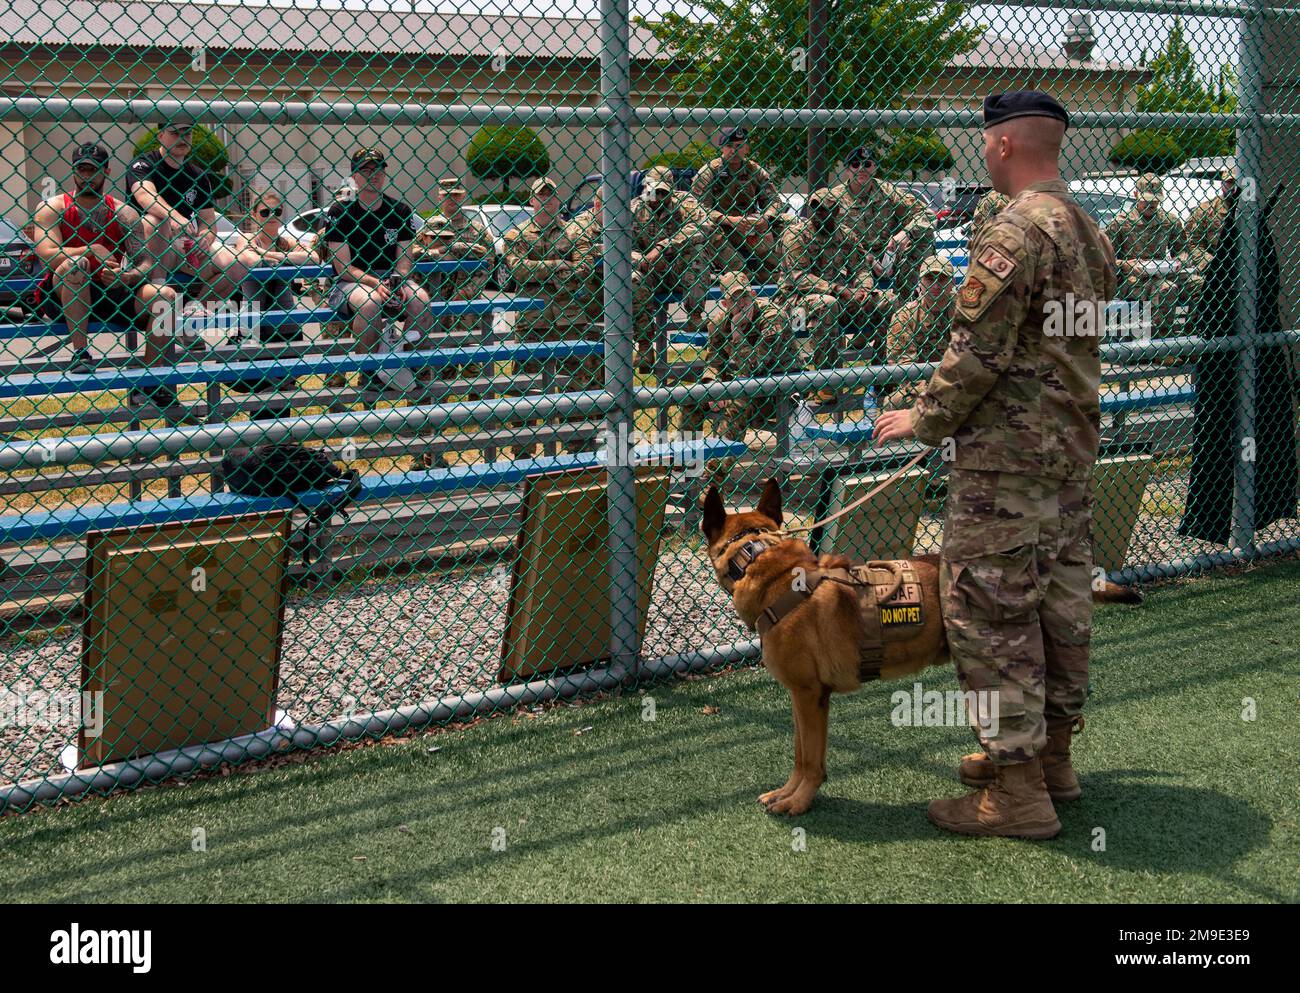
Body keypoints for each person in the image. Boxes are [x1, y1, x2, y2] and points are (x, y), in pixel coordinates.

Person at [874, 91, 1117, 840]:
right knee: (1059, 602)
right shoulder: (1087, 229)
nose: (983, 154)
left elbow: (977, 352)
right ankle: (1053, 762)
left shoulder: (1011, 232)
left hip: (1005, 466)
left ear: (1004, 146)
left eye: (985, 143)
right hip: (1066, 459)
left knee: (988, 614)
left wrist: (925, 418)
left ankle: (1016, 790)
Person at [126, 116, 250, 407]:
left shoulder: (197, 173)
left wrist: (206, 236)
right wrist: (178, 218)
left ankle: (189, 323)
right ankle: (159, 291)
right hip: (146, 249)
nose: (183, 137)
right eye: (176, 132)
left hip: (183, 246)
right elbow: (146, 197)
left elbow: (207, 220)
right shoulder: (143, 164)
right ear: (160, 136)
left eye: (188, 132)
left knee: (238, 263)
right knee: (155, 221)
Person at [30, 142, 154, 377]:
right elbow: (46, 254)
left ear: (106, 171)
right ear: (73, 170)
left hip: (110, 292)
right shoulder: (52, 207)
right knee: (77, 265)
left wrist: (127, 277)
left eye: (93, 170)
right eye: (81, 169)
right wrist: (89, 249)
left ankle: (154, 379)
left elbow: (145, 262)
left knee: (164, 296)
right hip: (63, 295)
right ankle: (80, 352)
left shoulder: (122, 212)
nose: (86, 175)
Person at [321, 146, 436, 394]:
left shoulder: (400, 210)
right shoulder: (340, 211)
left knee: (421, 300)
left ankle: (409, 365)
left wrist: (398, 282)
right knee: (371, 303)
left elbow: (404, 260)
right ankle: (369, 373)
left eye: (379, 169)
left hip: (390, 278)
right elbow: (343, 267)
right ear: (354, 176)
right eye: (366, 169)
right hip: (350, 282)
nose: (374, 174)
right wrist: (376, 283)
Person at [502, 176, 603, 457]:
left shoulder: (573, 233)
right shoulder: (516, 235)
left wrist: (542, 274)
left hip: (570, 320)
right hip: (532, 320)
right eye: (540, 196)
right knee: (525, 386)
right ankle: (522, 451)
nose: (546, 201)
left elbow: (584, 268)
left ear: (557, 200)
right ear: (532, 201)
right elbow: (517, 269)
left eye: (551, 196)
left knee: (577, 384)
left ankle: (577, 447)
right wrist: (559, 266)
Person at [681, 271, 798, 486]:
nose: (742, 303)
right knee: (692, 399)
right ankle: (689, 466)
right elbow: (714, 363)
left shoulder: (772, 317)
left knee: (738, 404)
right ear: (725, 304)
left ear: (753, 294)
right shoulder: (719, 323)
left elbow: (756, 366)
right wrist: (713, 387)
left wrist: (737, 334)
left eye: (745, 296)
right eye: (734, 299)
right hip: (746, 386)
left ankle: (713, 480)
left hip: (780, 389)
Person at [778, 187, 891, 402]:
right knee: (826, 303)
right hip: (795, 305)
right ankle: (826, 382)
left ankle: (882, 376)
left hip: (839, 300)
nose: (819, 214)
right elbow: (799, 277)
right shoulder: (796, 235)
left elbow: (861, 269)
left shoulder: (846, 234)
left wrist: (864, 289)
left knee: (888, 302)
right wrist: (840, 289)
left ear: (837, 210)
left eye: (825, 210)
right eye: (815, 210)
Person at [230, 187, 316, 419]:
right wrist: (282, 261)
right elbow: (251, 260)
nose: (271, 217)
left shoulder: (286, 242)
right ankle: (262, 446)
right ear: (254, 215)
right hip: (256, 324)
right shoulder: (246, 238)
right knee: (262, 389)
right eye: (265, 212)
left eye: (276, 211)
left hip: (284, 323)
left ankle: (277, 446)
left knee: (280, 389)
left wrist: (277, 256)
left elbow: (314, 257)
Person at [627, 166, 713, 371]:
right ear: (645, 187)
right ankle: (646, 345)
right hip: (648, 272)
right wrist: (643, 260)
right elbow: (621, 246)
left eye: (663, 192)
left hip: (677, 268)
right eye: (653, 191)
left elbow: (703, 226)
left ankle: (695, 314)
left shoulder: (684, 202)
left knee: (698, 250)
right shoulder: (634, 208)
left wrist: (664, 248)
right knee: (631, 277)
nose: (657, 197)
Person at [829, 145, 936, 301]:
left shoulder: (887, 191)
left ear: (875, 168)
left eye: (867, 164)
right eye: (855, 164)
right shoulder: (835, 198)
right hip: (853, 258)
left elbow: (927, 214)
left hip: (888, 254)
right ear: (847, 170)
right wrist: (868, 259)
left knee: (924, 237)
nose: (861, 169)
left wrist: (903, 235)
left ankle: (904, 303)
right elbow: (831, 237)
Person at [690, 128, 786, 281]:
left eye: (739, 145)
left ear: (747, 148)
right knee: (708, 230)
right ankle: (742, 274)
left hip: (750, 224)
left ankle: (775, 272)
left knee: (788, 221)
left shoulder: (754, 171)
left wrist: (765, 218)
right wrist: (729, 220)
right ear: (722, 147)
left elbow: (775, 201)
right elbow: (698, 210)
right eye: (729, 145)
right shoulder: (710, 172)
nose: (734, 150)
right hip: (722, 225)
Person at [1104, 173, 1185, 336]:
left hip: (1164, 272)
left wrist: (1179, 261)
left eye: (1155, 199)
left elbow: (1182, 250)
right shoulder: (1121, 222)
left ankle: (1197, 337)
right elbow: (1104, 258)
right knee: (1165, 289)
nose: (1152, 203)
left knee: (1198, 284)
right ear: (1136, 195)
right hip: (1132, 278)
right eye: (1147, 199)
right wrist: (1125, 264)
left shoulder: (1169, 220)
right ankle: (1162, 345)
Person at [880, 255, 955, 410]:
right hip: (922, 387)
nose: (935, 285)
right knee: (894, 402)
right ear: (920, 282)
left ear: (952, 283)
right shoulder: (905, 316)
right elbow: (904, 367)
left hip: (960, 382)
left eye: (941, 279)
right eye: (929, 279)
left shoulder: (966, 311)